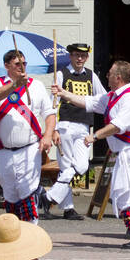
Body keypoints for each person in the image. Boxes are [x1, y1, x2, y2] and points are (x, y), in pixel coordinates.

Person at [54, 60, 130, 248]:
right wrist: (63, 93)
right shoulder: (112, 97)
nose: (106, 76)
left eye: (110, 73)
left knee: (125, 195)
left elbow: (118, 125)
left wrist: (95, 136)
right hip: (128, 153)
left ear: (118, 77)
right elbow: (87, 101)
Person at [0, 50, 56, 223]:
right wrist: (15, 85)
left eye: (24, 64)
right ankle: (13, 229)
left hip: (29, 148)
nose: (22, 67)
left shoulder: (37, 85)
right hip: (4, 150)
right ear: (7, 66)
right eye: (17, 64)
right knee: (9, 192)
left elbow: (49, 114)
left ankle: (31, 227)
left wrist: (47, 135)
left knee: (27, 189)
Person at [46, 43, 100, 221]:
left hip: (84, 125)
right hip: (66, 125)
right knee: (66, 167)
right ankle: (68, 208)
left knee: (82, 165)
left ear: (87, 58)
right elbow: (52, 104)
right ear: (70, 56)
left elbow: (103, 97)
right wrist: (53, 129)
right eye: (76, 55)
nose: (79, 59)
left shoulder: (91, 76)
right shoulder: (61, 74)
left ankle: (48, 196)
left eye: (83, 56)